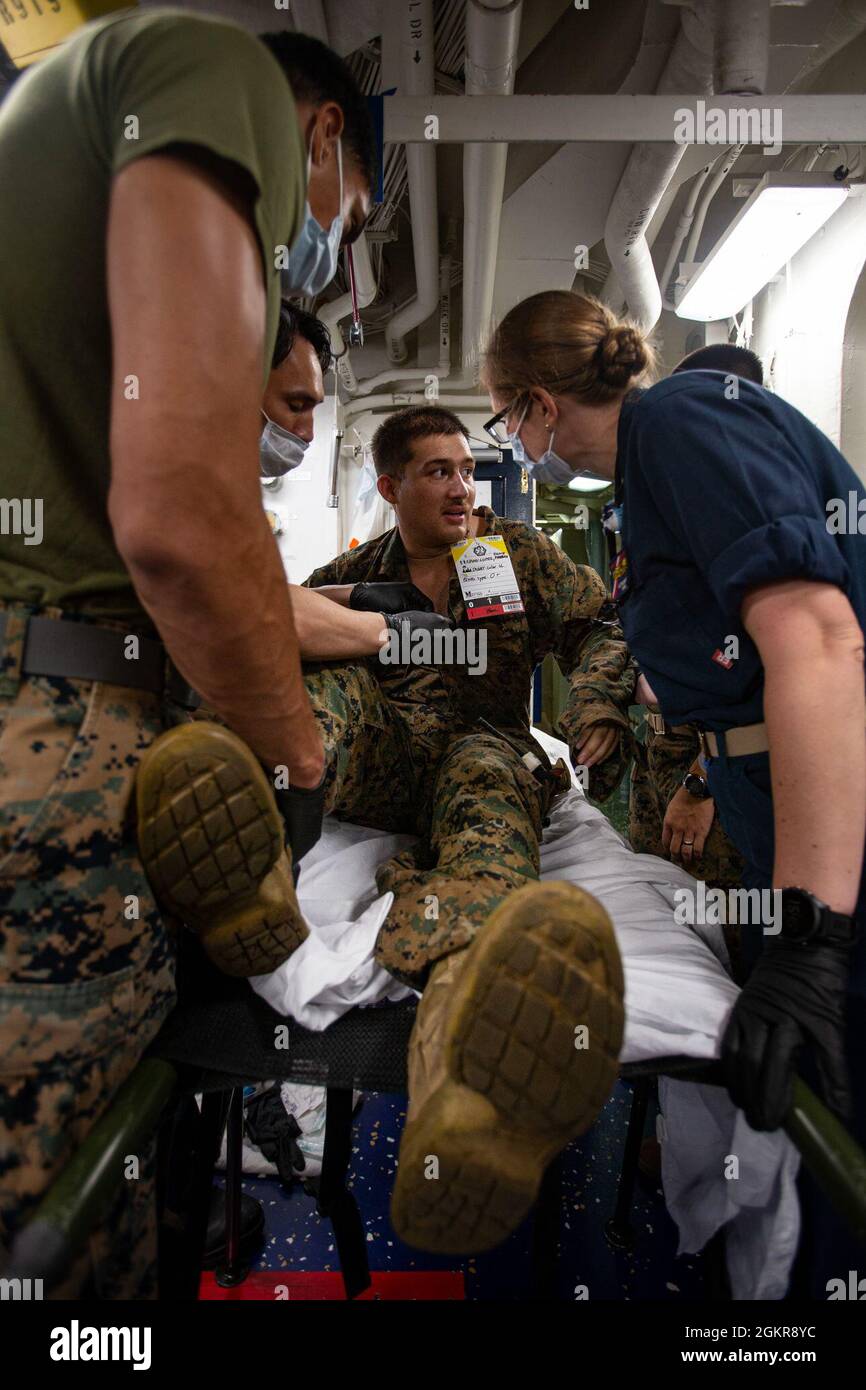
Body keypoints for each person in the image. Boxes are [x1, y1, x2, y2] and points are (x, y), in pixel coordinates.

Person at [0, 9, 380, 1297]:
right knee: (66, 1233)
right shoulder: (208, 73)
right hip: (59, 714)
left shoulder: (45, 141)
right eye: (352, 212)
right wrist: (295, 760)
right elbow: (176, 522)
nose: (328, 245)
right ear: (319, 132)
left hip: (44, 678)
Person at [482, 288, 866, 1291]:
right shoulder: (641, 485)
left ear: (534, 404)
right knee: (819, 1086)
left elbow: (818, 641)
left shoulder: (680, 420)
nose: (513, 442)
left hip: (829, 814)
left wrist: (812, 933)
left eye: (501, 421)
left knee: (837, 1088)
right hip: (763, 795)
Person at [297, 403, 632, 1253]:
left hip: (485, 752)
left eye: (466, 468)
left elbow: (602, 627)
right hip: (386, 764)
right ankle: (258, 866)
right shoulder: (354, 571)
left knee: (485, 781)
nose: (460, 487)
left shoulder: (514, 557)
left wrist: (595, 702)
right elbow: (277, 623)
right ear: (390, 487)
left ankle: (457, 1078)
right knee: (320, 696)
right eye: (437, 471)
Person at [627, 347, 763, 932]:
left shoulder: (754, 513)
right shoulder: (679, 505)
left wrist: (699, 786)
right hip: (657, 757)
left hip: (715, 774)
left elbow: (769, 679)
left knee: (725, 933)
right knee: (662, 927)